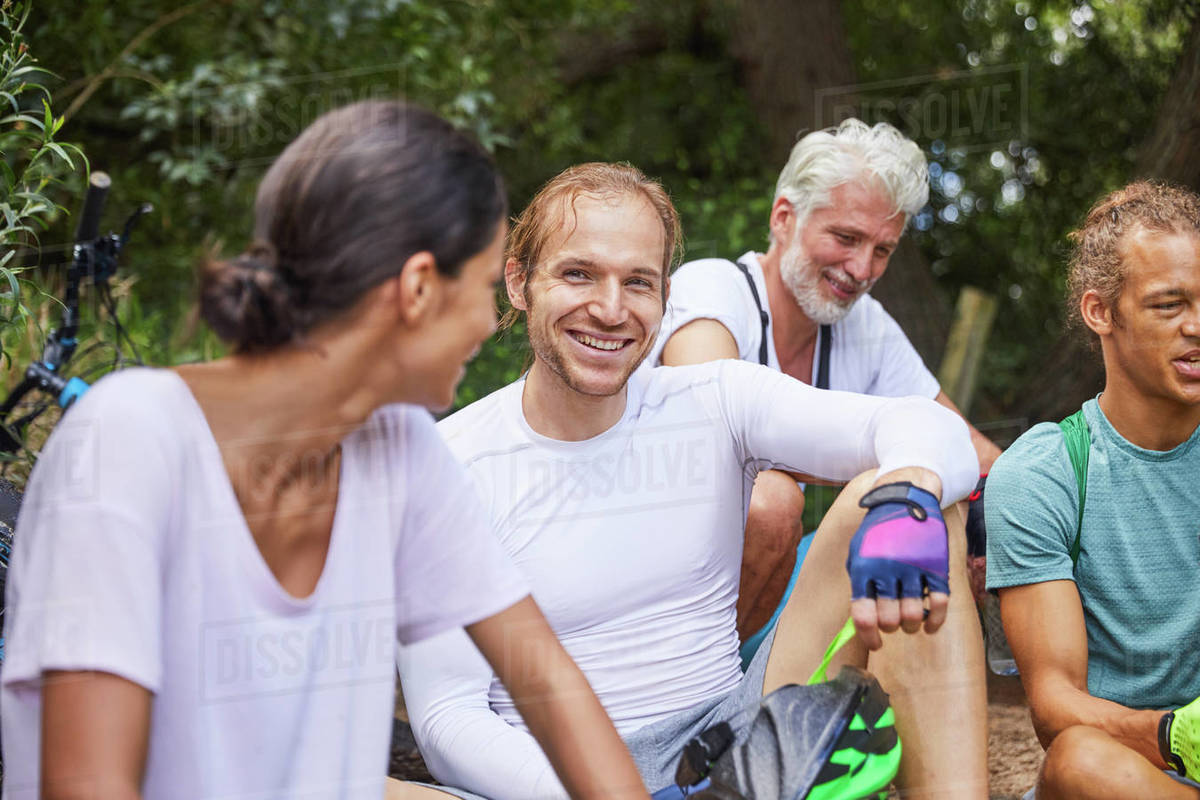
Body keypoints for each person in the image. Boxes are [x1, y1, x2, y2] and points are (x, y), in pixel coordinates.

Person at [0, 102, 649, 800]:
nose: (490, 321)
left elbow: (545, 680)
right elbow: (88, 784)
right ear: (419, 288)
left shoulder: (399, 451)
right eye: (486, 287)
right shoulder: (129, 441)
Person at [394, 162, 986, 799]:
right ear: (518, 281)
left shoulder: (715, 400)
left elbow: (929, 428)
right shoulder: (445, 466)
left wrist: (907, 495)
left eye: (638, 283)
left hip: (731, 751)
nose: (611, 308)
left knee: (912, 499)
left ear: (664, 298)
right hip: (550, 777)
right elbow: (448, 717)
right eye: (578, 274)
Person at [654, 119, 1002, 641]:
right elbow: (714, 433)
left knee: (930, 511)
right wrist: (899, 456)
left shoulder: (867, 327)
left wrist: (1019, 509)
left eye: (882, 250)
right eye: (846, 237)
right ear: (784, 218)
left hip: (755, 602)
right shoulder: (712, 289)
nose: (862, 268)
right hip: (651, 594)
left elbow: (972, 452)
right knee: (772, 501)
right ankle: (695, 703)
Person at [985, 181, 1200, 799]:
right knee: (1081, 760)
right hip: (1129, 773)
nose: (1196, 325)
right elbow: (1055, 709)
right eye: (1169, 305)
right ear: (1100, 312)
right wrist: (1176, 736)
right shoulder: (1045, 472)